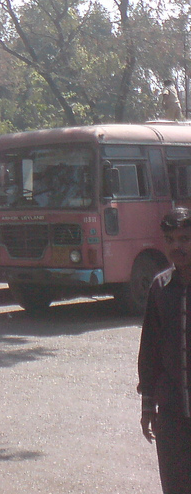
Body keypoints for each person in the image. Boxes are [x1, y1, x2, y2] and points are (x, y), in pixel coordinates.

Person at [138, 208, 191, 494]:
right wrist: (148, 405)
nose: (176, 246)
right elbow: (150, 351)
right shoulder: (160, 287)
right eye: (170, 239)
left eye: (184, 238)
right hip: (172, 415)